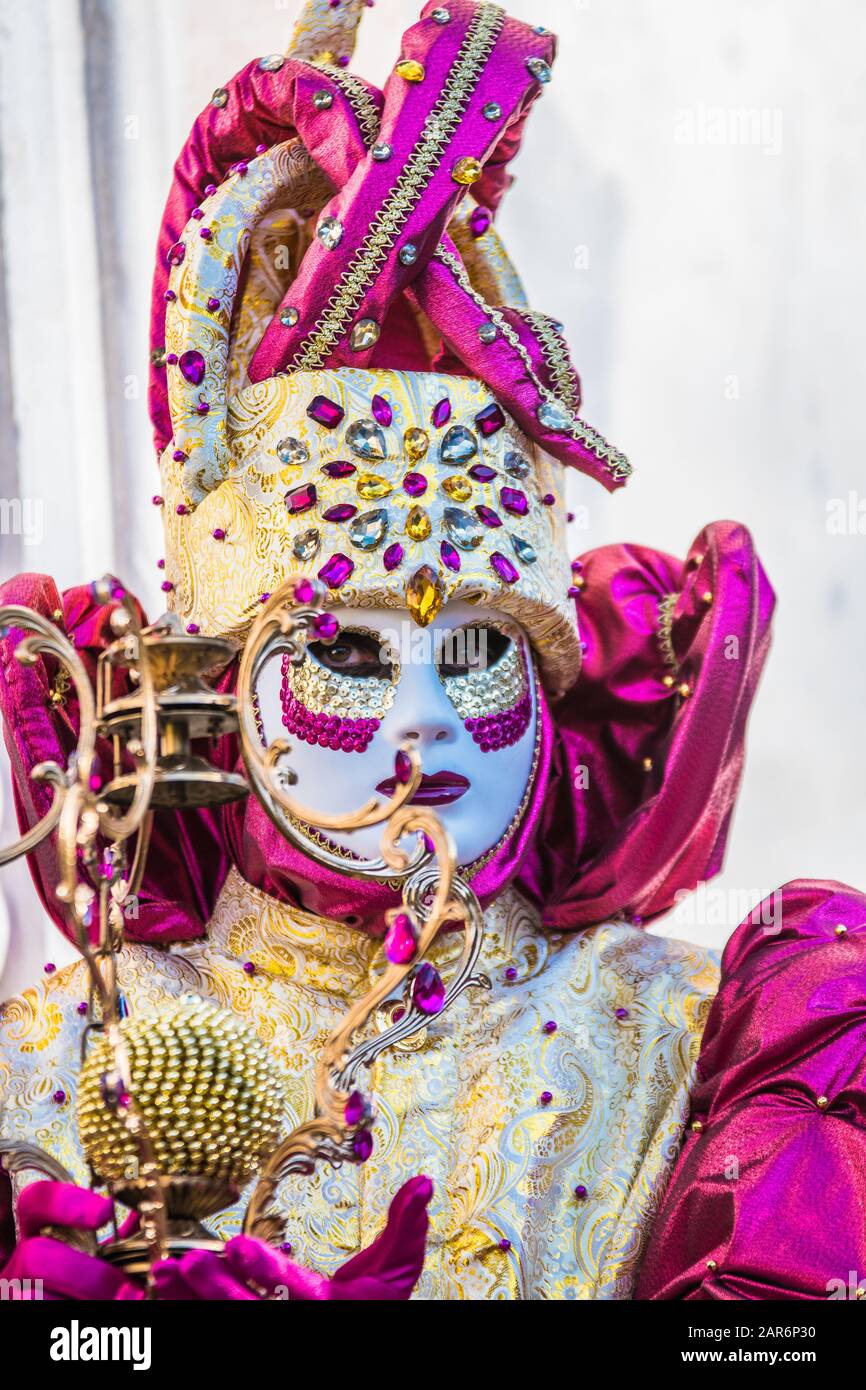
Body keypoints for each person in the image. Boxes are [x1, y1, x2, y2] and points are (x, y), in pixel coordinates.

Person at [0, 0, 863, 1301]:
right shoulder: (68, 1051)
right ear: (228, 695)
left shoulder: (684, 1036)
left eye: (475, 658)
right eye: (344, 659)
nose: (423, 725)